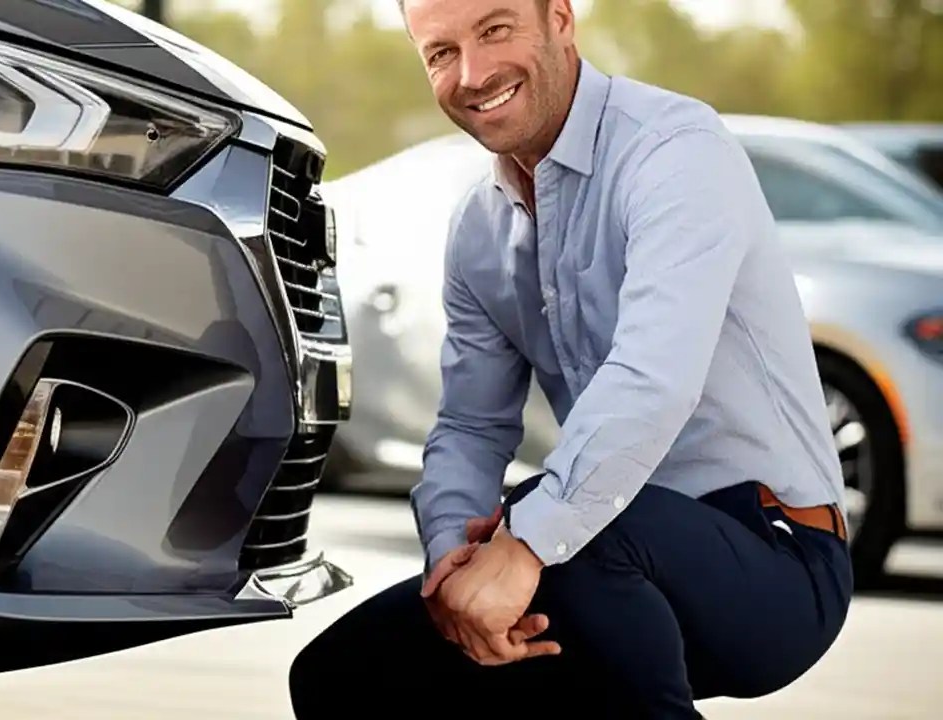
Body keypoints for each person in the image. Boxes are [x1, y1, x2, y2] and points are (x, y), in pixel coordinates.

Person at [289, 0, 854, 717]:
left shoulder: (674, 152)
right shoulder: (479, 227)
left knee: (562, 524)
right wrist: (451, 571)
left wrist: (522, 547)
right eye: (440, 53)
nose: (472, 73)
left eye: (496, 30)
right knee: (341, 674)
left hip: (775, 560)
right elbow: (469, 427)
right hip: (600, 558)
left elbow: (652, 380)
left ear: (560, 18)